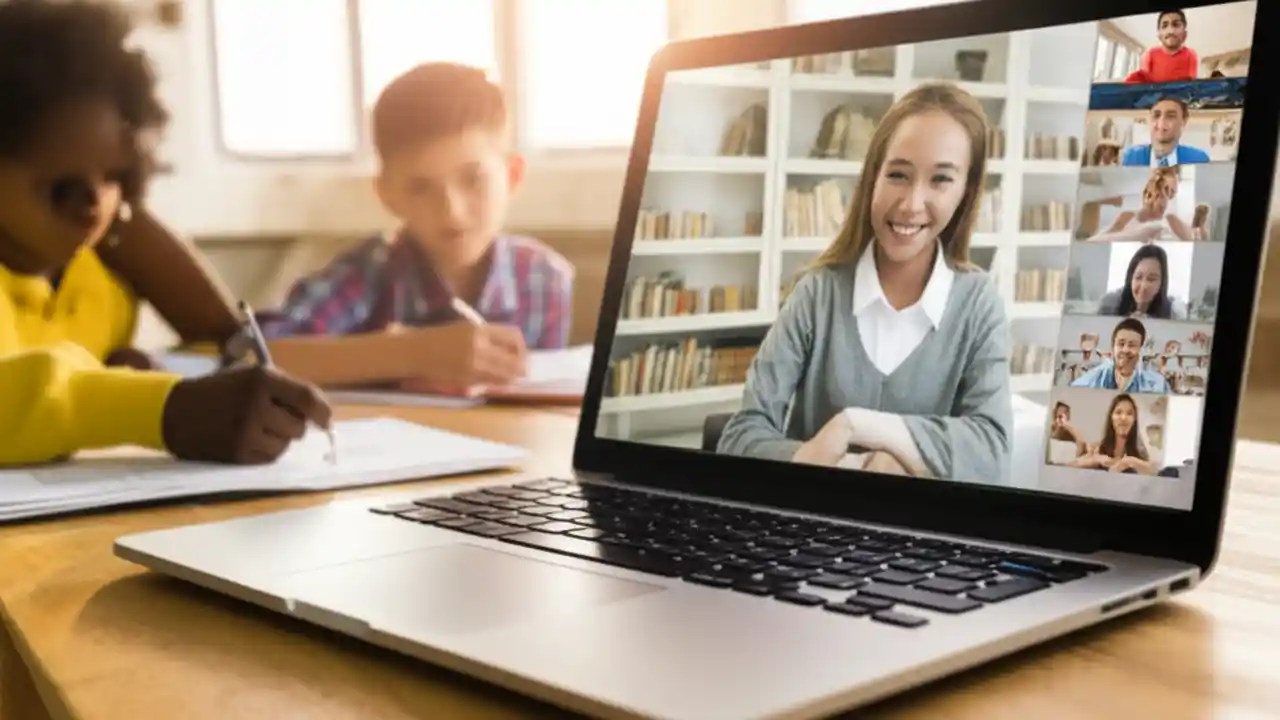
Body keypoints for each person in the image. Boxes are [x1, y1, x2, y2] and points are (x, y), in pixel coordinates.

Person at [0, 0, 329, 467]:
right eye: (64, 188)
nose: (95, 207)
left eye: (115, 177)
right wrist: (157, 406)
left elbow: (228, 346)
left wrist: (161, 372)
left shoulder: (108, 253)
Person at [716, 83, 1012, 484]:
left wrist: (858, 426)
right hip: (812, 528)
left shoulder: (979, 304)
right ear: (872, 176)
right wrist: (834, 461)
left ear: (966, 191)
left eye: (940, 179)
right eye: (897, 174)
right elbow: (740, 437)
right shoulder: (816, 293)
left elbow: (992, 452)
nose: (911, 203)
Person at [261, 63, 574, 396]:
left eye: (473, 180)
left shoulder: (545, 280)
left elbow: (540, 399)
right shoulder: (371, 272)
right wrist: (410, 354)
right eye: (421, 188)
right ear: (388, 195)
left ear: (512, 176)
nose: (452, 211)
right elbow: (262, 355)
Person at [1086, 167, 1201, 242]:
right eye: (1165, 190)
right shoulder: (1127, 216)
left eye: (1172, 193)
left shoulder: (1172, 220)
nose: (1167, 199)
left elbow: (1195, 241)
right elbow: (1096, 240)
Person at [1071, 318, 1171, 393]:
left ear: (1140, 350)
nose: (1125, 350)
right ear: (1112, 347)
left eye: (1132, 345)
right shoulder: (1093, 379)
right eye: (1121, 344)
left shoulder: (1158, 385)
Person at [1068, 394, 1157, 474]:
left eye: (1129, 413)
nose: (1123, 418)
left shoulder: (1139, 452)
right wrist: (1095, 460)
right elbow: (1069, 467)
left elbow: (1155, 472)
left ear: (1134, 420)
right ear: (1111, 418)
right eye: (1118, 412)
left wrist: (1130, 462)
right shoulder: (1098, 448)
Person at [1097, 243, 1188, 320]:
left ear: (1162, 282)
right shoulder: (1109, 304)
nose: (1144, 286)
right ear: (1130, 278)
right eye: (1138, 277)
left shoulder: (1173, 312)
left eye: (1151, 279)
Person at [1121, 97, 1210, 167]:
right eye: (1156, 115)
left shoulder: (1198, 160)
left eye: (1170, 116)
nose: (1161, 124)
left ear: (1184, 120)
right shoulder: (1132, 158)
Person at [1125, 10, 1199, 84]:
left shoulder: (1191, 54)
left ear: (1184, 34)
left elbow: (1191, 85)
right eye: (1164, 26)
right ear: (1159, 35)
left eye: (1176, 25)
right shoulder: (1150, 54)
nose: (1170, 31)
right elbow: (1143, 79)